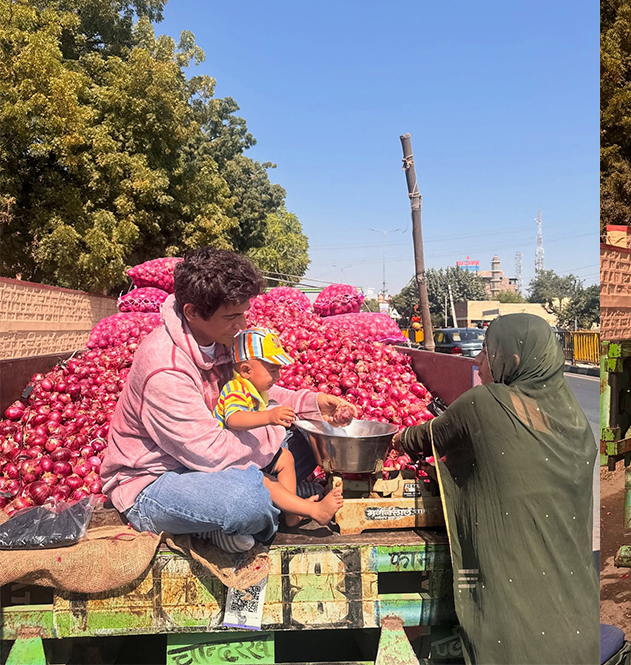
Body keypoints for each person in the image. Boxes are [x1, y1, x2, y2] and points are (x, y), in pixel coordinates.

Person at [100, 248, 353, 553]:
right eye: (232, 316)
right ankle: (278, 504)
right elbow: (210, 453)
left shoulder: (223, 340)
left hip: (214, 459)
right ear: (193, 312)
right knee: (245, 500)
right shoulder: (164, 369)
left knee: (312, 432)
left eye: (244, 312)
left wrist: (312, 404)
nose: (242, 324)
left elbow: (253, 394)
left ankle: (269, 504)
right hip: (160, 479)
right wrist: (274, 443)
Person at [391, 314, 598, 664]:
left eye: (484, 353)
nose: (477, 361)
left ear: (511, 360)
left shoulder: (484, 402)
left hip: (511, 597)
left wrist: (393, 439)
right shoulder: (575, 418)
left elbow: (427, 437)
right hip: (578, 605)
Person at [213, 327, 345, 528]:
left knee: (285, 457)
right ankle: (314, 510)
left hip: (249, 452)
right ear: (246, 370)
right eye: (273, 370)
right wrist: (268, 417)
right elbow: (234, 419)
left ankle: (291, 514)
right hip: (232, 461)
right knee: (264, 481)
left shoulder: (255, 388)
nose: (278, 377)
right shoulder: (235, 390)